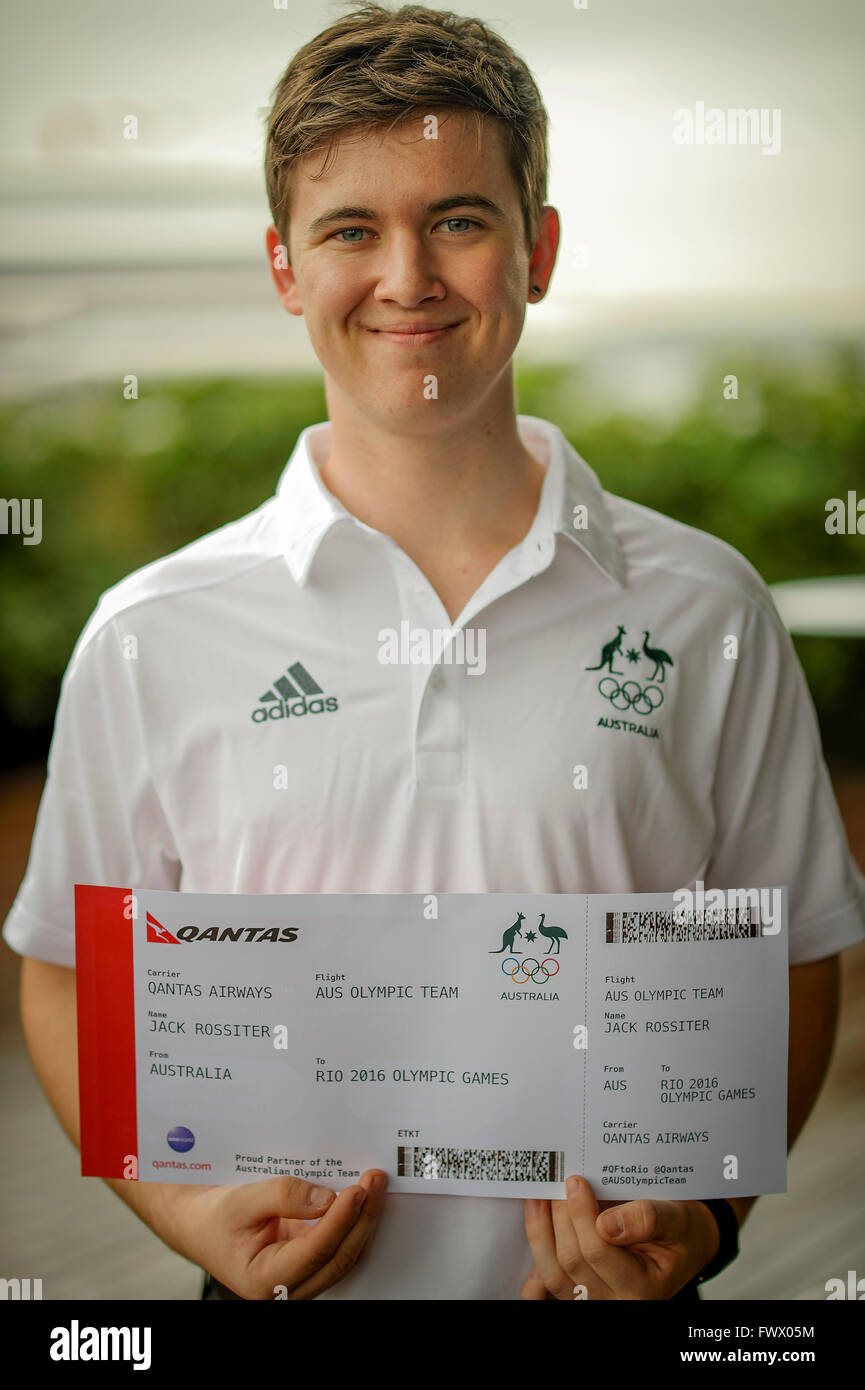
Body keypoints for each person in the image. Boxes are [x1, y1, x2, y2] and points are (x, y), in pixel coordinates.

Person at [4, 2, 865, 1302]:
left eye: (457, 219)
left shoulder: (708, 607)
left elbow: (792, 949)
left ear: (540, 249)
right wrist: (185, 1212)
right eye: (351, 228)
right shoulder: (151, 632)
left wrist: (707, 1217)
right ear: (285, 267)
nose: (406, 276)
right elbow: (70, 968)